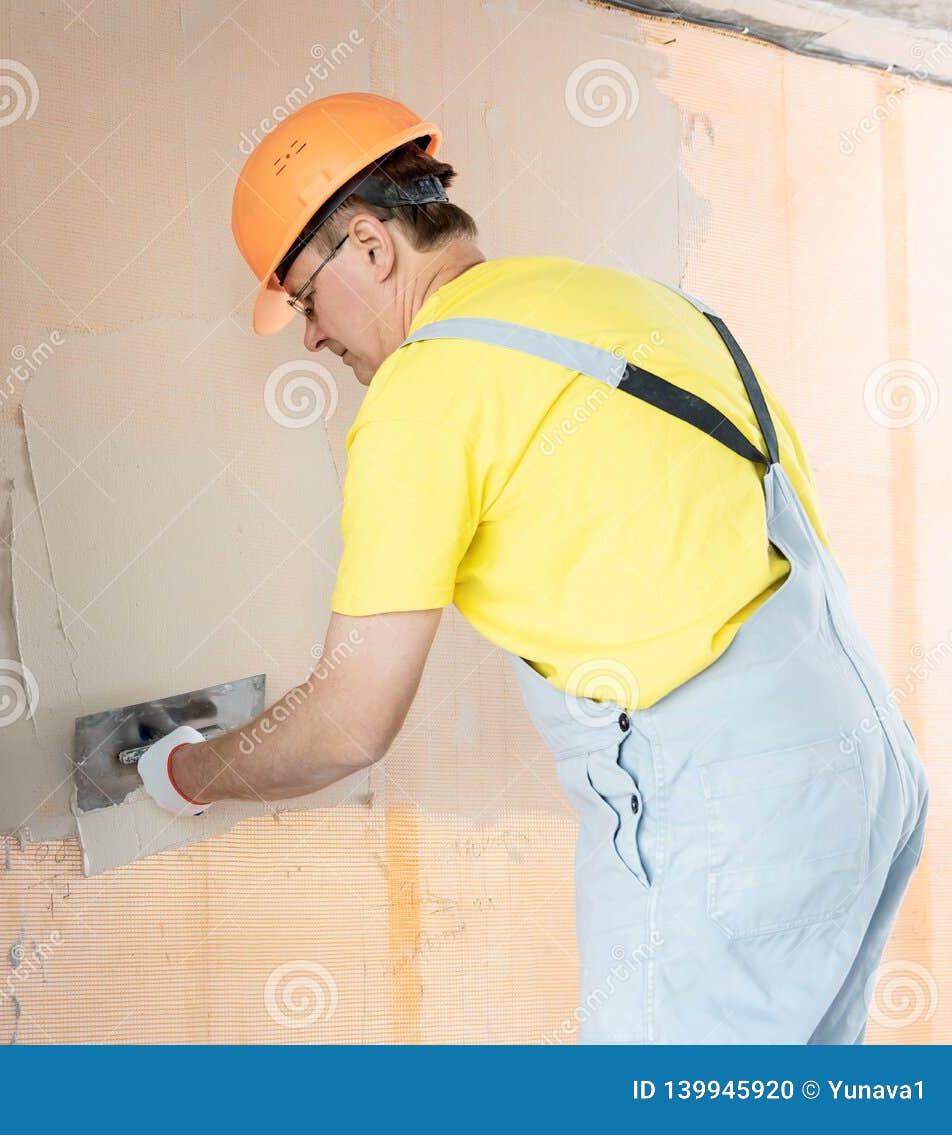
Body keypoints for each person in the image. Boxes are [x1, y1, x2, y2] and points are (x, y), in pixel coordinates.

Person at [133, 92, 930, 1044]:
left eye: (305, 298)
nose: (310, 335)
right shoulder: (634, 301)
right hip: (861, 766)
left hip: (723, 811)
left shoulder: (423, 388)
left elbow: (350, 723)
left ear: (372, 246)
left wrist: (187, 770)